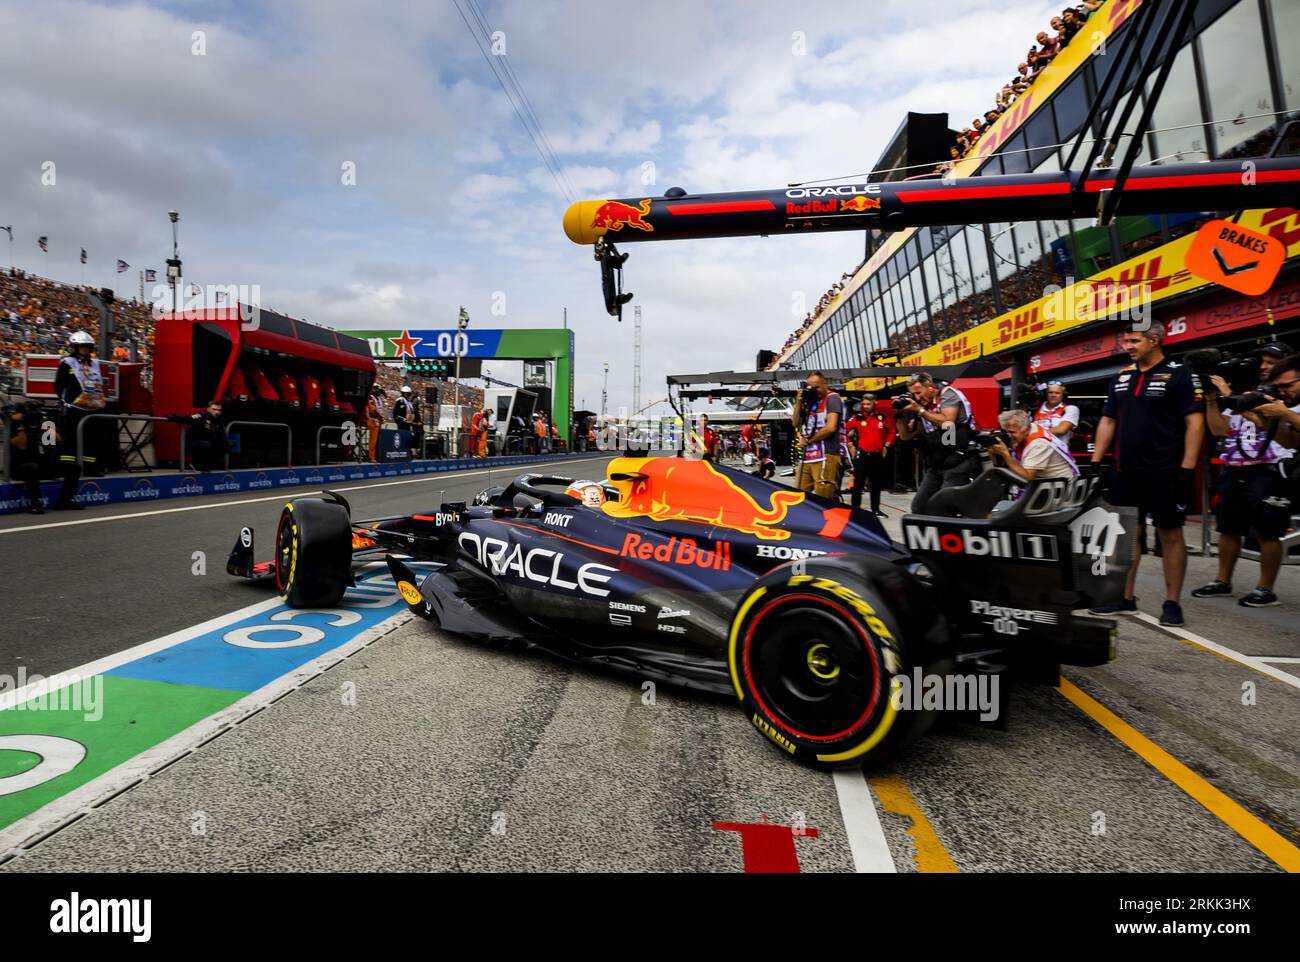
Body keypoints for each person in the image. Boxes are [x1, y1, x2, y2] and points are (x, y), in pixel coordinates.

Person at [1089, 321, 1205, 627]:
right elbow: (1107, 421)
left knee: (1170, 534)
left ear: (1154, 340)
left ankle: (1172, 603)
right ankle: (1123, 597)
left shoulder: (1180, 373)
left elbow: (1195, 422)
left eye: (1134, 341)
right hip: (1125, 471)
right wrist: (1096, 462)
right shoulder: (1121, 377)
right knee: (1127, 536)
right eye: (1126, 341)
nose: (1127, 346)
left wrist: (1187, 468)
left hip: (1166, 470)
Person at [1194, 343, 1297, 607]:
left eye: (1271, 361)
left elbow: (1285, 434)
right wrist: (1212, 398)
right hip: (1236, 469)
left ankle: (1265, 588)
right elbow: (1219, 429)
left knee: (1268, 531)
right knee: (1228, 528)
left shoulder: (1288, 399)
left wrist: (1263, 405)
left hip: (1271, 470)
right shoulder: (1243, 396)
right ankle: (1222, 581)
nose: (1264, 366)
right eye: (1261, 362)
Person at [895, 372, 980, 514]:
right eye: (913, 394)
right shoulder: (923, 406)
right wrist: (899, 415)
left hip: (958, 461)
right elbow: (906, 436)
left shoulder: (947, 394)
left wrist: (920, 411)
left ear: (930, 387)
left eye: (918, 392)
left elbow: (948, 422)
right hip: (937, 463)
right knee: (918, 507)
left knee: (943, 506)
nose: (917, 398)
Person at [54, 330, 109, 478]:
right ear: (75, 347)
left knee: (92, 439)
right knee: (70, 438)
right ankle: (67, 468)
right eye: (81, 346)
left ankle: (90, 467)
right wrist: (65, 401)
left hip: (92, 407)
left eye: (87, 347)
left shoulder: (94, 364)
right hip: (74, 408)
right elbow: (59, 385)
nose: (84, 349)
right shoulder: (67, 363)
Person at [6, 402, 78, 512]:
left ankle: (65, 501)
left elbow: (58, 440)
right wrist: (22, 426)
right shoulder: (13, 426)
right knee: (33, 467)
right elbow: (22, 446)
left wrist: (45, 425)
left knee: (74, 467)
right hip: (20, 468)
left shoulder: (41, 426)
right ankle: (36, 504)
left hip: (41, 466)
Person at [791, 371, 846, 500]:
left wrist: (809, 440)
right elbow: (795, 423)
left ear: (824, 383)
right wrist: (799, 401)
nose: (815, 391)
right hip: (808, 455)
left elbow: (831, 427)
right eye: (811, 388)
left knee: (823, 496)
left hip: (826, 453)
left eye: (818, 387)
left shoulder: (832, 398)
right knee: (797, 495)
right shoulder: (809, 401)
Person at [988, 409, 1079, 483]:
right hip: (1044, 483)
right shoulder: (1028, 428)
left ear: (1026, 430)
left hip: (1059, 490)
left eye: (1012, 432)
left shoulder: (1038, 443)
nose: (1008, 436)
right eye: (1005, 431)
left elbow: (1027, 477)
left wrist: (1005, 454)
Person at [845, 394, 895, 516]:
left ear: (874, 403)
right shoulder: (857, 418)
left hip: (877, 455)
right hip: (861, 455)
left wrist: (886, 445)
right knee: (858, 484)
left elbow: (892, 432)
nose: (866, 406)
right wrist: (850, 444)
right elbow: (844, 431)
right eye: (864, 404)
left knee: (875, 484)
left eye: (868, 404)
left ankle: (875, 509)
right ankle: (855, 510)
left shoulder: (881, 418)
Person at [183, 400, 230, 471]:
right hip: (191, 444)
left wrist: (224, 443)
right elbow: (188, 418)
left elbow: (222, 435)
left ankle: (208, 463)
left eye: (219, 410)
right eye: (214, 409)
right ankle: (195, 463)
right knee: (207, 444)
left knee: (227, 444)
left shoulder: (219, 421)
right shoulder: (202, 416)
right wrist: (173, 417)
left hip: (207, 443)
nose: (217, 412)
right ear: (208, 409)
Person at [1032, 380, 1080, 446]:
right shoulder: (1035, 410)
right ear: (1046, 394)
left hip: (1059, 453)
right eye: (1050, 392)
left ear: (1063, 395)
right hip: (1036, 450)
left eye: (1057, 393)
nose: (1053, 395)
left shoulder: (1071, 409)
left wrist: (1034, 434)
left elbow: (1061, 430)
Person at [364, 384, 384, 463]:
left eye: (378, 389)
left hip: (378, 420)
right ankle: (371, 457)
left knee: (378, 440)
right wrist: (380, 417)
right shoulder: (370, 398)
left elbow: (380, 409)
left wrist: (382, 417)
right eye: (376, 389)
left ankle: (377, 456)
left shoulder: (379, 399)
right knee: (373, 440)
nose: (378, 390)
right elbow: (372, 410)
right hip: (372, 420)